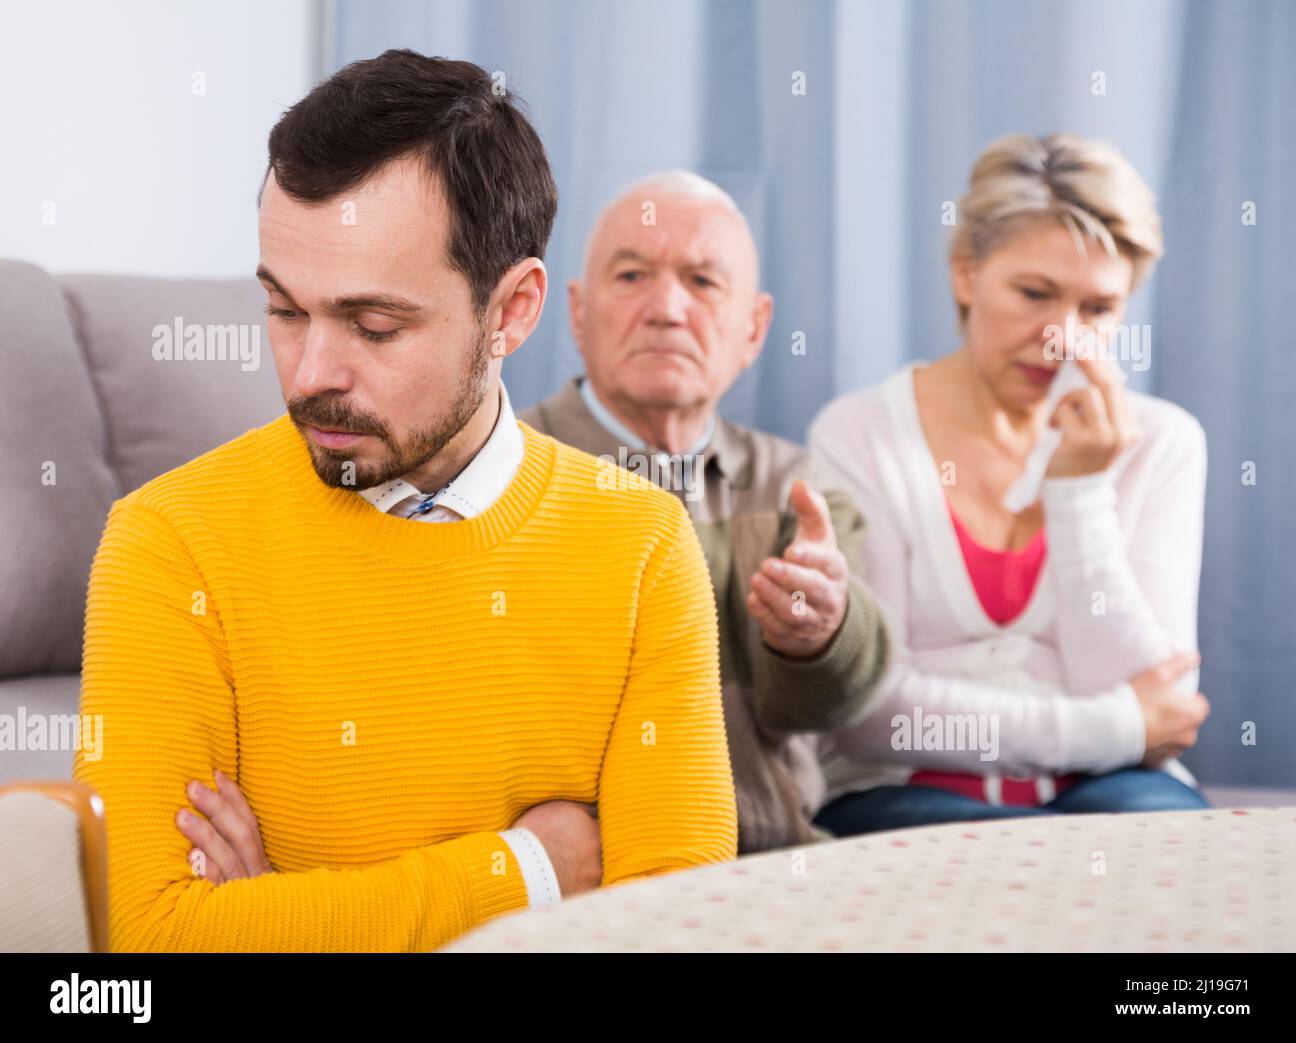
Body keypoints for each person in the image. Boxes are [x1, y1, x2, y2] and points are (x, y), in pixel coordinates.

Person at [73, 51, 737, 952]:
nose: (311, 376)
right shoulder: (170, 543)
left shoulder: (644, 548)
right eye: (285, 310)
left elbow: (679, 931)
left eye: (374, 326)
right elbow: (147, 944)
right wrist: (533, 870)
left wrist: (287, 916)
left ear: (513, 311)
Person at [809, 133, 1211, 835]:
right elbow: (869, 715)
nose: (1063, 338)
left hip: (1119, 786)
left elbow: (1168, 707)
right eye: (1034, 293)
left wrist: (1081, 497)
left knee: (1171, 867)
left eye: (1097, 309)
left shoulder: (1164, 444)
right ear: (966, 274)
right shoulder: (860, 434)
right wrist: (1118, 722)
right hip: (903, 792)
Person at [522, 171, 891, 852]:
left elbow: (832, 707)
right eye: (631, 275)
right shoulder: (506, 470)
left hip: (775, 861)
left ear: (753, 328)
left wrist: (822, 633)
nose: (666, 308)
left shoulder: (795, 485)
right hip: (582, 880)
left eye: (702, 282)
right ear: (576, 312)